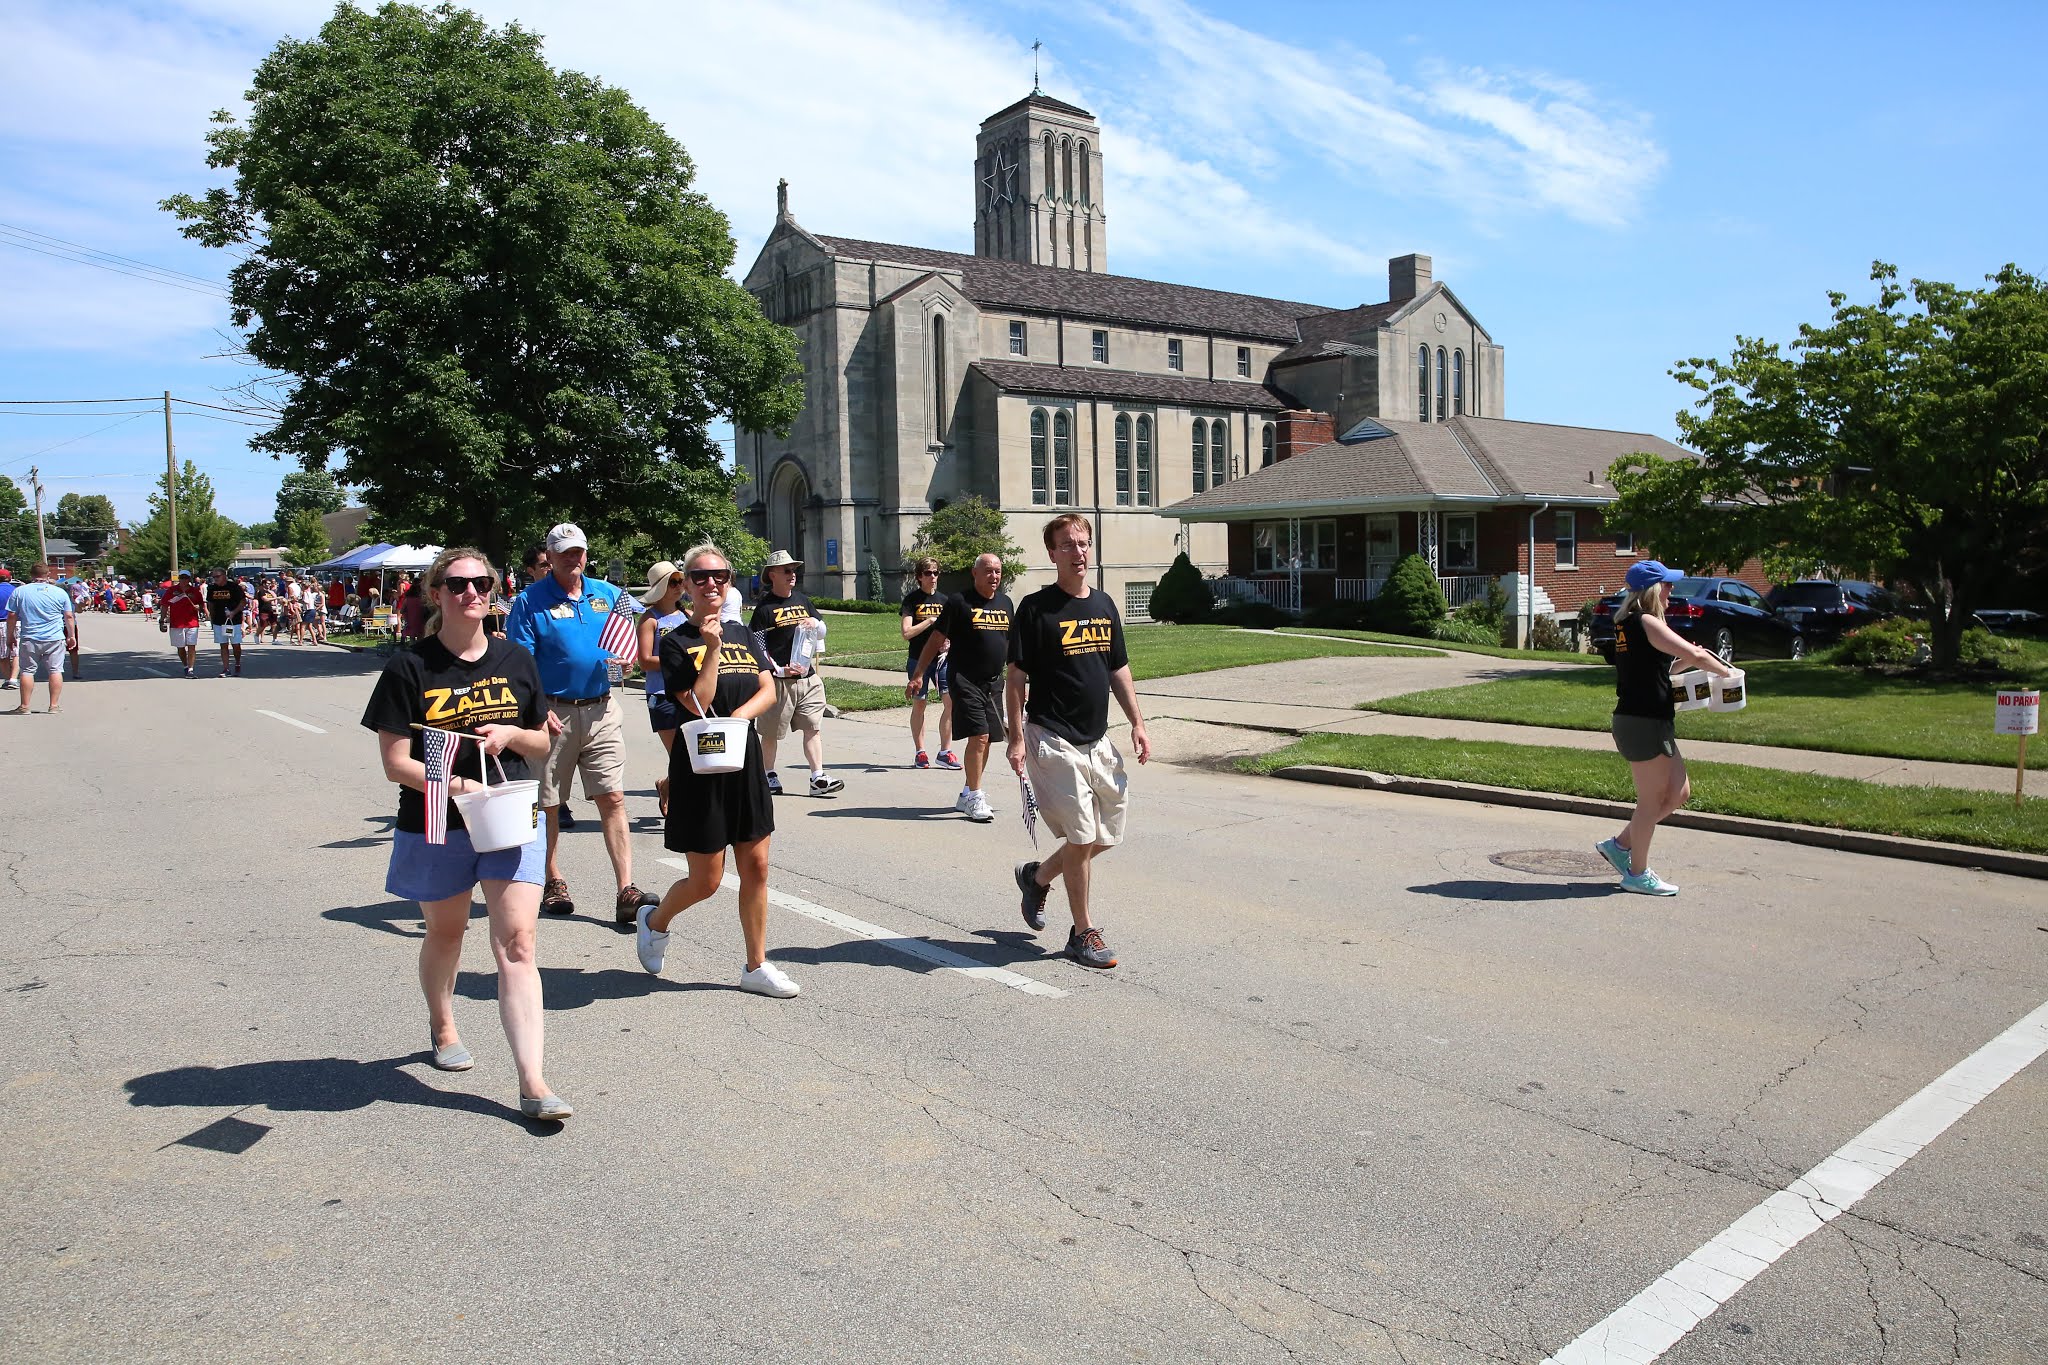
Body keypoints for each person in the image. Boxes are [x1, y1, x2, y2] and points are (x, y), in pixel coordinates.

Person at [360, 546, 571, 1122]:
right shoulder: (411, 666)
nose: (471, 592)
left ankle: (533, 1081)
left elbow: (541, 742)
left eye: (480, 582)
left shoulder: (516, 659)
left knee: (518, 944)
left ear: (495, 588)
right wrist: (452, 784)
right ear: (436, 595)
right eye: (457, 585)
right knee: (447, 933)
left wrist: (510, 733)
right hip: (437, 817)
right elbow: (395, 762)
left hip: (507, 813)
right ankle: (443, 1023)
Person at [635, 544, 799, 998]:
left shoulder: (745, 634)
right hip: (699, 766)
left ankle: (756, 965)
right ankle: (655, 920)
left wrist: (741, 717)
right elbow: (697, 702)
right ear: (684, 585)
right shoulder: (675, 642)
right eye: (701, 577)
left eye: (720, 576)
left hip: (742, 759)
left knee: (758, 865)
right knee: (706, 881)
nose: (712, 584)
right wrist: (709, 649)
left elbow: (767, 685)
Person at [1005, 514, 1150, 970]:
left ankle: (1039, 876)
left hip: (1096, 737)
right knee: (1083, 834)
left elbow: (1117, 670)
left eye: (1083, 543)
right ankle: (1082, 933)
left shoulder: (1105, 604)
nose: (1078, 552)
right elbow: (1015, 680)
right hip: (1051, 733)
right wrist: (1015, 738)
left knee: (1108, 832)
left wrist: (1137, 722)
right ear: (1052, 553)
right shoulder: (1035, 608)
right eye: (1067, 545)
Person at [503, 522, 657, 924]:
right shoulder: (530, 602)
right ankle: (552, 879)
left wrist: (631, 656)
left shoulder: (606, 594)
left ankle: (626, 889)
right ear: (549, 557)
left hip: (602, 710)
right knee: (549, 803)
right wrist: (536, 709)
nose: (574, 558)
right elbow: (519, 664)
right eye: (565, 552)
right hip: (552, 714)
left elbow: (642, 619)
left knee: (613, 797)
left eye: (580, 551)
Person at [1595, 560, 1738, 897]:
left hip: (1650, 719)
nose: (1673, 591)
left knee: (1679, 792)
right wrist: (1726, 673)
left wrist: (1689, 660)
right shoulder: (1645, 621)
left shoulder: (1631, 624)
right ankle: (1637, 873)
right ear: (1653, 590)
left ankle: (1620, 845)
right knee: (1651, 800)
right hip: (1641, 721)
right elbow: (1695, 655)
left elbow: (1658, 668)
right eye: (1668, 585)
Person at [911, 553, 1013, 823]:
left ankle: (968, 790)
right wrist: (919, 673)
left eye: (998, 571)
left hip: (993, 682)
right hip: (964, 679)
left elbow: (1009, 644)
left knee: (990, 737)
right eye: (989, 571)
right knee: (979, 736)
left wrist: (1020, 680)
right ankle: (976, 796)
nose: (994, 576)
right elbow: (935, 639)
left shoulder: (1005, 603)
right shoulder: (959, 602)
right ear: (975, 573)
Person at [749, 549, 843, 796]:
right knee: (771, 733)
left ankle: (817, 777)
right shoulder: (764, 608)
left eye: (794, 570)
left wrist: (816, 624)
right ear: (772, 575)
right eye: (787, 571)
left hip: (808, 677)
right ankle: (767, 774)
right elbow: (757, 648)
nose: (792, 575)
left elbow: (822, 630)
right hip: (779, 681)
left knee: (813, 727)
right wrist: (779, 670)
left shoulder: (802, 600)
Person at [636, 560, 690, 817]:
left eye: (681, 580)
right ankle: (683, 808)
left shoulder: (688, 616)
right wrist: (679, 659)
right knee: (681, 755)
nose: (679, 586)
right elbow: (645, 661)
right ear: (660, 587)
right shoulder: (650, 620)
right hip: (661, 695)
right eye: (673, 582)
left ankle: (666, 785)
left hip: (689, 693)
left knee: (690, 754)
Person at [899, 557, 957, 770]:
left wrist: (949, 640)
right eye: (928, 573)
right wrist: (928, 622)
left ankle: (945, 752)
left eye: (935, 573)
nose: (933, 577)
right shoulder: (912, 600)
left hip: (942, 660)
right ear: (919, 577)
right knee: (920, 704)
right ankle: (920, 752)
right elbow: (906, 633)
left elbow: (953, 629)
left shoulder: (945, 600)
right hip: (918, 660)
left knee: (950, 702)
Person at [6, 563, 76, 715]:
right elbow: (69, 616)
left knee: (27, 671)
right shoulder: (59, 592)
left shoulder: (20, 592)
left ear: (31, 574)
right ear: (48, 574)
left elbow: (12, 615)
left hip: (30, 637)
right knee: (55, 670)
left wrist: (10, 635)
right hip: (54, 637)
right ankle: (54, 705)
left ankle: (25, 706)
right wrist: (71, 635)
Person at [159, 569, 205, 677]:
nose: (184, 580)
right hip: (177, 623)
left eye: (186, 578)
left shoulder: (195, 591)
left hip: (192, 622)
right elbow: (165, 605)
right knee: (180, 648)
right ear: (179, 579)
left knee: (191, 646)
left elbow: (201, 604)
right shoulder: (172, 590)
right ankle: (185, 665)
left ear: (189, 579)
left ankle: (190, 669)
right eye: (182, 578)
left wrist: (200, 607)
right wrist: (162, 620)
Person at [205, 568, 247, 676]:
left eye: (217, 576)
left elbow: (243, 602)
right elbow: (211, 604)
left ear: (224, 575)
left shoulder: (234, 587)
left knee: (235, 645)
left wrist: (234, 612)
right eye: (213, 577)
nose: (215, 579)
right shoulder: (212, 588)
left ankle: (237, 663)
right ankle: (226, 668)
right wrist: (212, 618)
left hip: (234, 621)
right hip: (219, 621)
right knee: (223, 645)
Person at [0, 568, 16, 693]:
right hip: (16, 622)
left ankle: (6, 678)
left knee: (2, 654)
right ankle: (13, 678)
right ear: (9, 578)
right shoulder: (16, 591)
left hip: (0, 623)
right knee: (16, 652)